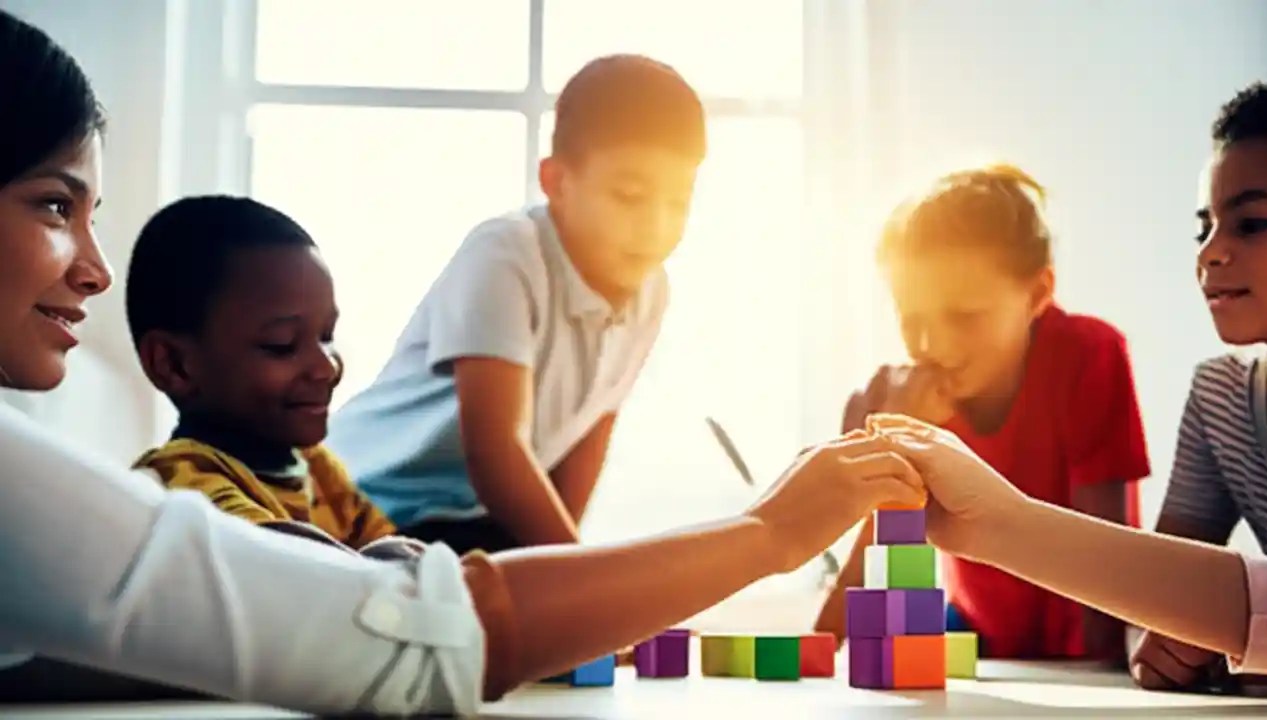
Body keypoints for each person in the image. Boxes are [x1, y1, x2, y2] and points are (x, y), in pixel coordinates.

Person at [0, 11, 925, 714]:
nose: (95, 268)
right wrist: (759, 538)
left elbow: (573, 444)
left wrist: (577, 581)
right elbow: (436, 542)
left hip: (433, 552)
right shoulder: (503, 256)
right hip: (433, 516)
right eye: (52, 206)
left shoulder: (647, 299)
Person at [327, 54, 702, 554]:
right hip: (368, 503)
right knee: (525, 610)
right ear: (556, 183)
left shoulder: (651, 289)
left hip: (469, 519)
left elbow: (590, 433)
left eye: (678, 202)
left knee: (604, 601)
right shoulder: (506, 252)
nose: (656, 226)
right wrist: (578, 579)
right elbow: (495, 454)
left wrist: (567, 573)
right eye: (629, 196)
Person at [815, 164, 1150, 662]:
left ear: (1037, 295)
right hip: (980, 642)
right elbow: (857, 612)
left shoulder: (1088, 354)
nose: (933, 346)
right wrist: (892, 454)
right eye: (912, 319)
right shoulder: (907, 397)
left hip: (1084, 648)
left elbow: (1107, 564)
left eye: (964, 317)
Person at [868, 413, 1267, 681]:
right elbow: (1164, 624)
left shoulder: (1090, 352)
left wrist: (1001, 526)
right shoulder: (1220, 392)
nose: (1210, 269)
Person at [126, 196, 400, 553]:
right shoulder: (183, 481)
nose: (326, 367)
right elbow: (285, 565)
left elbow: (394, 552)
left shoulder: (317, 467)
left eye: (326, 338)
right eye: (282, 344)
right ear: (174, 364)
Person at [1130, 74, 1267, 691]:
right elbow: (1153, 598)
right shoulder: (1219, 397)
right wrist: (1161, 642)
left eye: (1252, 224)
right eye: (1205, 227)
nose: (1210, 253)